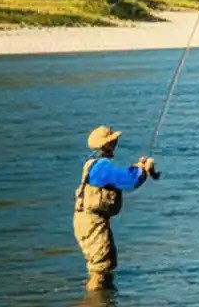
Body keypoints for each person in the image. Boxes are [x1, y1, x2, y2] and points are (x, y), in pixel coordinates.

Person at [73, 125, 155, 292]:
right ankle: (94, 300)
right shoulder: (102, 167)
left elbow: (122, 176)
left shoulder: (95, 165)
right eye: (113, 141)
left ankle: (104, 297)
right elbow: (130, 181)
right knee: (100, 267)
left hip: (88, 220)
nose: (116, 143)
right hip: (92, 222)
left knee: (106, 262)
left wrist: (139, 167)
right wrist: (144, 170)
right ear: (107, 145)